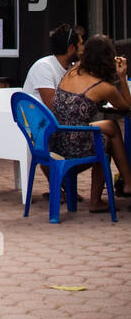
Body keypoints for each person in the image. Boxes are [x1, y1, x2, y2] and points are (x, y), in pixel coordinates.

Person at [51, 34, 131, 213]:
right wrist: (122, 76)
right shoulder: (103, 88)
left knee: (111, 127)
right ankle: (106, 195)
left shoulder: (73, 70)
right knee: (106, 140)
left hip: (57, 138)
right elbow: (126, 107)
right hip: (73, 147)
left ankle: (127, 182)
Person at [22, 23, 82, 109]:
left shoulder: (71, 69)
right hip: (40, 121)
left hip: (61, 120)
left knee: (106, 123)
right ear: (71, 48)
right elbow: (53, 107)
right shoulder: (43, 67)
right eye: (81, 44)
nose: (83, 49)